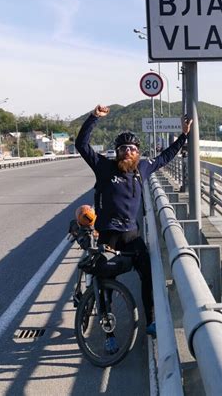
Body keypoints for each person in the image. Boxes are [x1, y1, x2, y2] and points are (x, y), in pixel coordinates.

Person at [75, 104, 192, 352]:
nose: (128, 152)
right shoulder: (105, 168)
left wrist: (184, 135)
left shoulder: (143, 169)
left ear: (138, 153)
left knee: (148, 273)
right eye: (123, 149)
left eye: (132, 149)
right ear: (117, 152)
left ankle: (150, 322)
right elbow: (82, 146)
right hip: (108, 236)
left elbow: (165, 157)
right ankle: (109, 333)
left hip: (132, 235)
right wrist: (93, 118)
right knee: (104, 282)